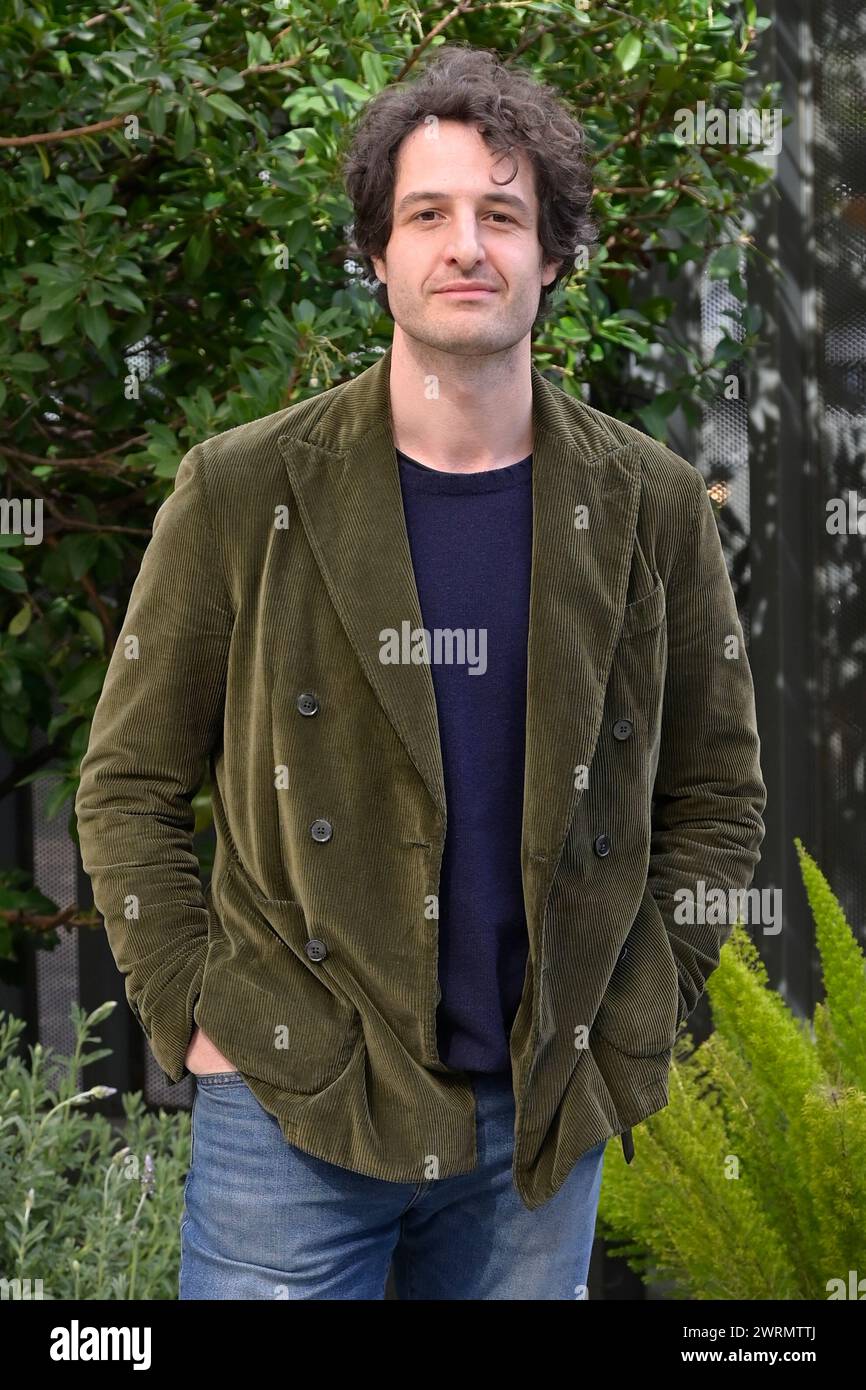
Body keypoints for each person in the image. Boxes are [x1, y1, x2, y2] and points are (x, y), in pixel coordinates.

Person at [75, 44, 767, 1300]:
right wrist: (191, 1008)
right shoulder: (245, 488)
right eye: (427, 214)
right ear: (375, 255)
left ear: (551, 256)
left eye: (501, 214)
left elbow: (716, 796)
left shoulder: (652, 503)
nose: (465, 245)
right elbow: (125, 781)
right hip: (291, 1100)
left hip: (536, 1115)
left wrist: (638, 1006)